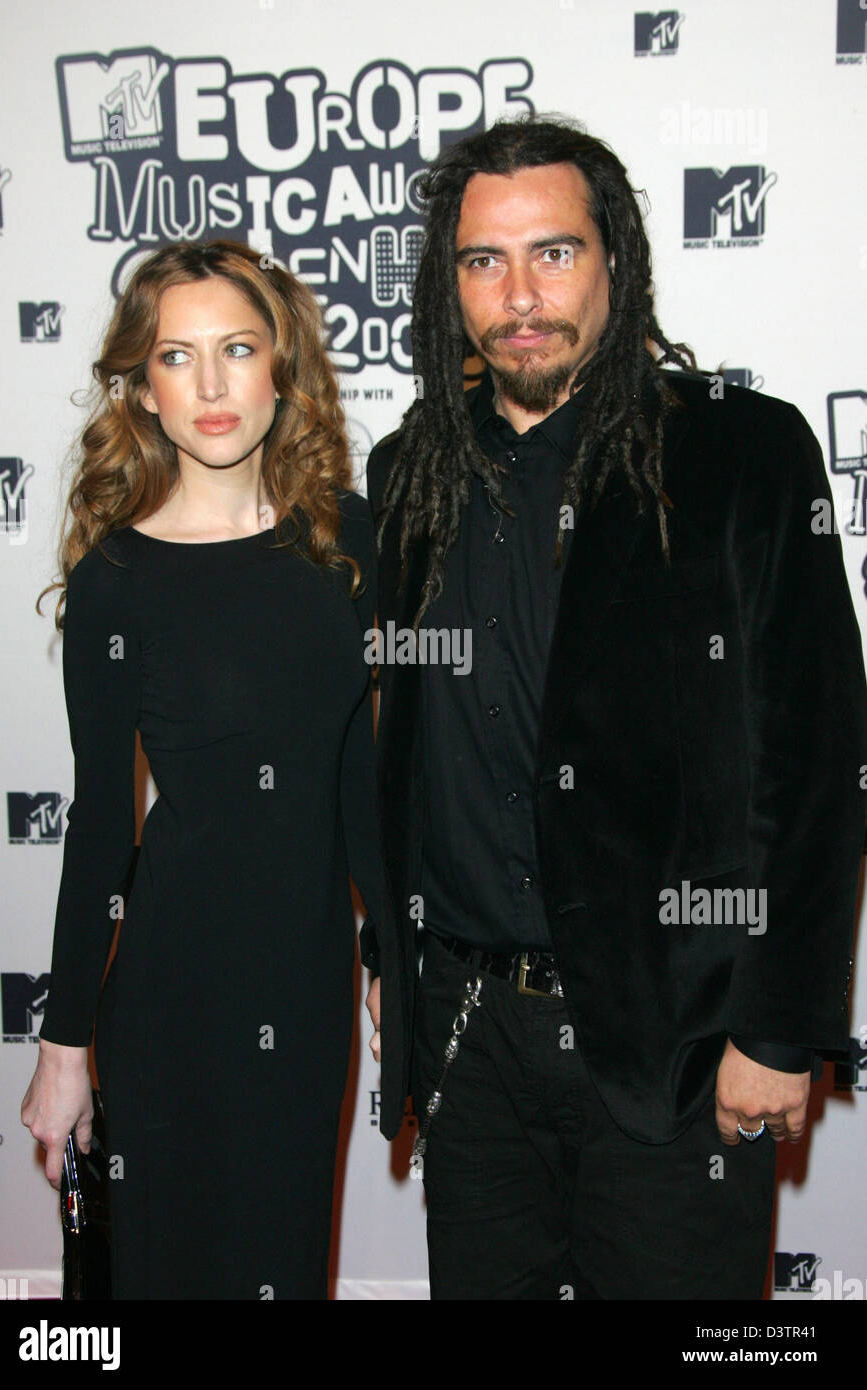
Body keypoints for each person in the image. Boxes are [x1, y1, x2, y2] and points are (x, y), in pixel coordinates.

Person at [362, 116, 867, 1299]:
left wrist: (779, 1026)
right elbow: (399, 745)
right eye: (483, 261)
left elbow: (821, 752)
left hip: (679, 1044)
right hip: (472, 1040)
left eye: (555, 252)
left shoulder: (739, 452)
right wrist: (388, 946)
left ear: (614, 261)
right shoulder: (407, 474)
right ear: (448, 288)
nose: (519, 294)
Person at [21, 238, 393, 1299]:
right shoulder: (114, 580)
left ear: (282, 364)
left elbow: (361, 772)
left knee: (279, 1267)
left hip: (304, 980)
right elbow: (100, 825)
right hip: (165, 993)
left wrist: (388, 949)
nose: (214, 384)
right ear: (141, 387)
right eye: (178, 357)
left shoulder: (347, 546)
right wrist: (63, 1043)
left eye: (237, 347)